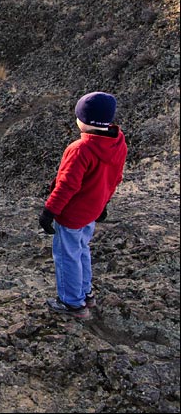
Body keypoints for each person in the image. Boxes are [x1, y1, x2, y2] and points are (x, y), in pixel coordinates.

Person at [38, 92, 127, 319]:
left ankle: (72, 303)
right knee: (81, 249)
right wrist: (104, 202)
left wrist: (49, 211)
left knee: (67, 255)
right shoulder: (117, 142)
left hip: (73, 214)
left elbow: (66, 186)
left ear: (84, 121)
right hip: (92, 210)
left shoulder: (80, 150)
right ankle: (86, 293)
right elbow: (115, 177)